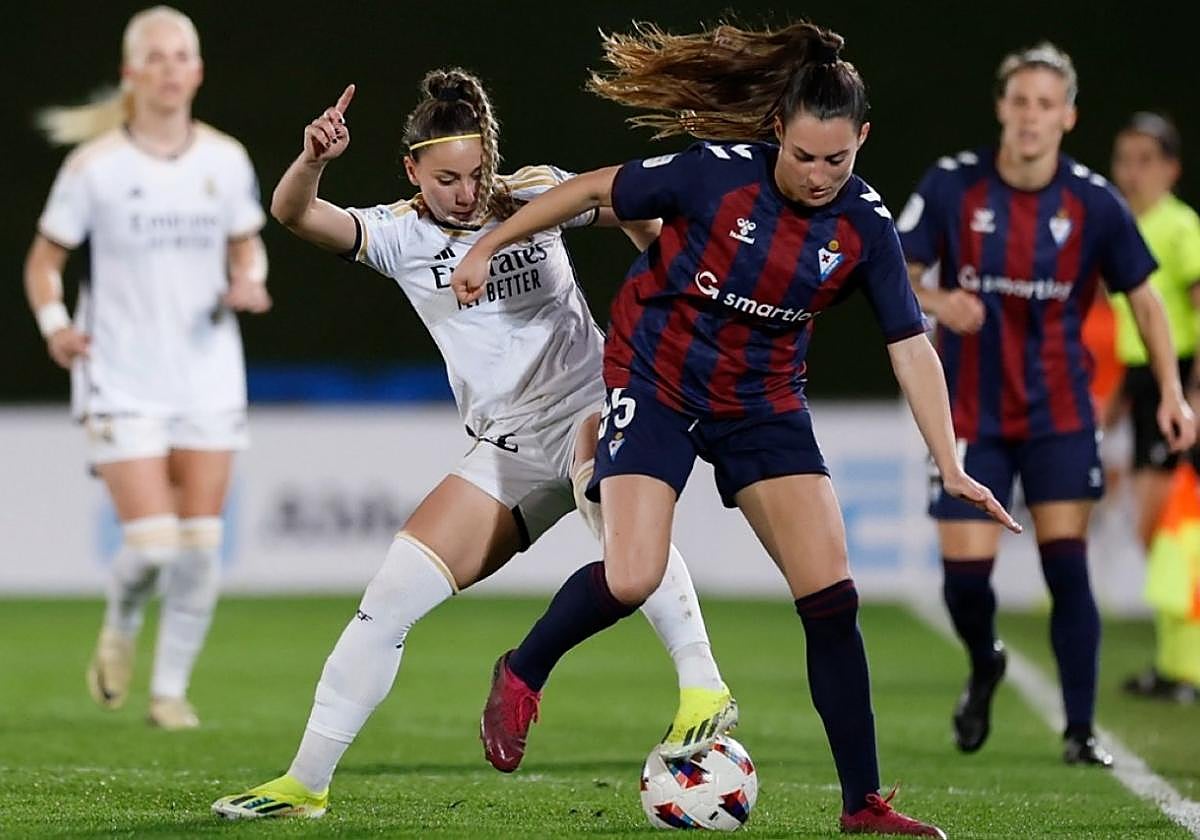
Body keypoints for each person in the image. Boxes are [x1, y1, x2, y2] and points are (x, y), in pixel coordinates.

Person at [451, 22, 1019, 838]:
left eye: (837, 159)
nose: (819, 175)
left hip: (762, 402)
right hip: (657, 379)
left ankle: (862, 806)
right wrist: (491, 245)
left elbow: (910, 346)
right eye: (804, 156)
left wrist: (951, 464)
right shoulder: (713, 176)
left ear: (862, 139)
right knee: (633, 576)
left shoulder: (864, 225)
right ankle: (522, 670)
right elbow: (589, 191)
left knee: (832, 598)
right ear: (776, 130)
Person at [212, 67, 734, 820]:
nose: (465, 192)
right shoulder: (399, 234)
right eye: (446, 179)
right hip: (507, 444)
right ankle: (304, 785)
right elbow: (296, 214)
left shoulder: (534, 194)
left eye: (475, 174)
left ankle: (702, 686)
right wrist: (313, 160)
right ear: (412, 171)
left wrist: (662, 273)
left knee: (618, 522)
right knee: (389, 600)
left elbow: (635, 206)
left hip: (593, 405)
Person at [896, 44, 1196, 766]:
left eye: (1045, 104)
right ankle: (985, 662)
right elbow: (894, 276)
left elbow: (1146, 300)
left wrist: (1173, 392)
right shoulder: (952, 185)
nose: (1031, 117)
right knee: (965, 582)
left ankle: (1081, 730)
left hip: (1060, 414)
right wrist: (937, 299)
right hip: (969, 415)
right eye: (1020, 102)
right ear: (1002, 108)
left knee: (1067, 567)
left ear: (1068, 116)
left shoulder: (1093, 201)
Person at [23, 5, 271, 731]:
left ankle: (169, 692)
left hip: (207, 371)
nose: (169, 69)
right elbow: (44, 263)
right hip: (120, 373)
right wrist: (56, 327)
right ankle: (122, 620)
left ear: (198, 71)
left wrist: (250, 280)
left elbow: (246, 245)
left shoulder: (224, 160)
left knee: (200, 544)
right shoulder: (94, 167)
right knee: (154, 544)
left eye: (181, 55)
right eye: (155, 57)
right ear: (131, 72)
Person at [1109, 112, 1200, 701]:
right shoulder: (1123, 230)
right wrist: (1119, 399)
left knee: (1169, 530)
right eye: (1124, 159)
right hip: (1148, 387)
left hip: (1179, 385)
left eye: (1146, 160)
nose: (1132, 172)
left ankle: (1186, 668)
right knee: (1160, 534)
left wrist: (1192, 395)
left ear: (1172, 169)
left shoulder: (1178, 225)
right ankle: (1175, 666)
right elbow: (1136, 331)